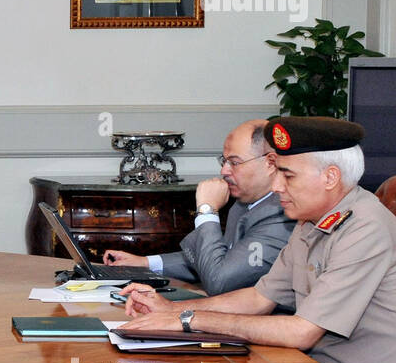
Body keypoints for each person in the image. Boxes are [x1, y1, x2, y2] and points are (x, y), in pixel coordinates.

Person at [121, 117, 396, 363]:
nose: (276, 186)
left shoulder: (365, 228)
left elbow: (301, 332)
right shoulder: (313, 221)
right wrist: (170, 310)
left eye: (287, 175)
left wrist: (192, 320)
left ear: (330, 177)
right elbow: (259, 298)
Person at [103, 120, 295, 294]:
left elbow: (219, 281)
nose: (224, 171)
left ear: (270, 163)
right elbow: (213, 257)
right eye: (224, 161)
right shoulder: (245, 203)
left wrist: (207, 210)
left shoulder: (280, 214)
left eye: (234, 163)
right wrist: (144, 263)